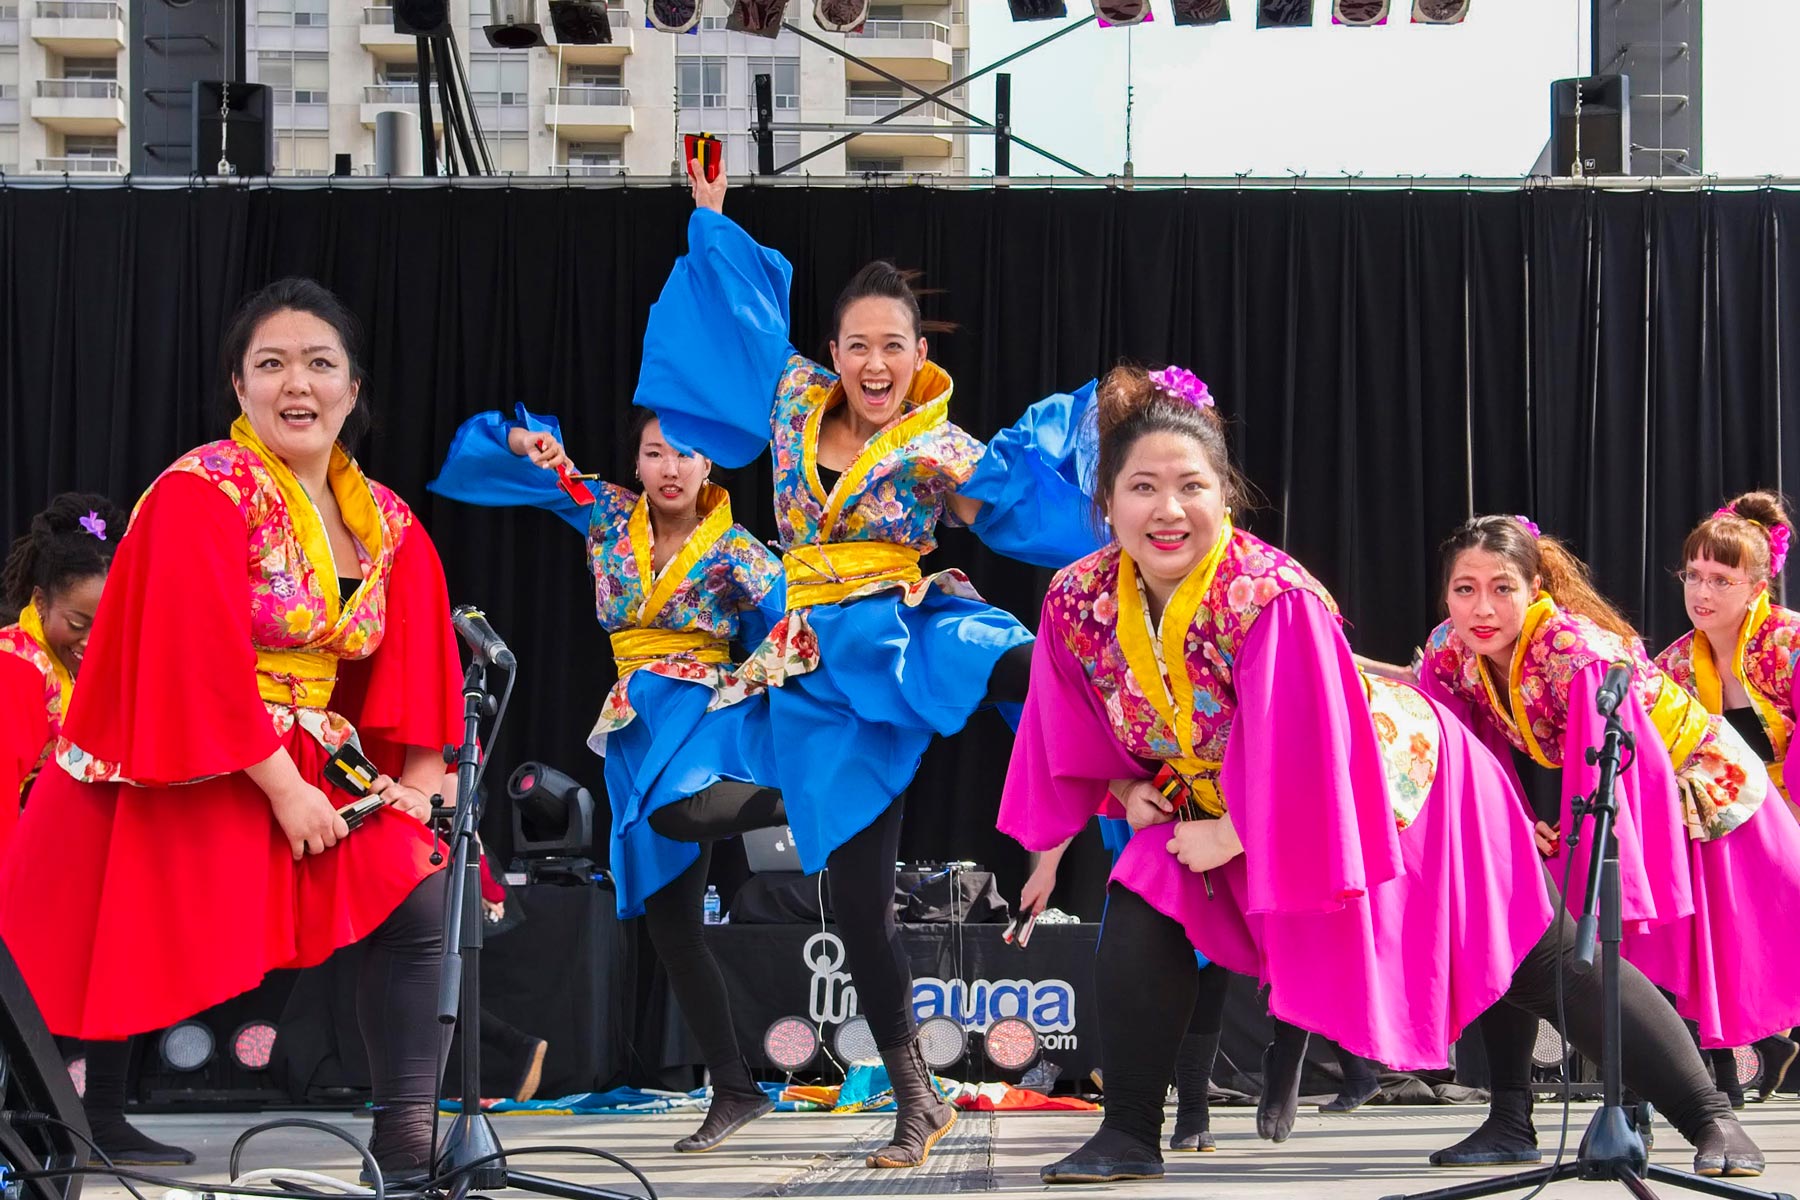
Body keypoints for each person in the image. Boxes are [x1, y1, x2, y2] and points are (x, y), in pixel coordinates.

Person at [998, 364, 1763, 1183]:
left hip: (1405, 787)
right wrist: (1121, 792)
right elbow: (1063, 726)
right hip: (1237, 802)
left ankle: (1712, 1119)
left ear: (1225, 496)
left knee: (1537, 957)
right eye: (1142, 487)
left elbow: (1312, 752)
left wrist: (1235, 831)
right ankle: (1130, 1134)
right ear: (1106, 500)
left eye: (1191, 485)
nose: (1168, 509)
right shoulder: (1077, 600)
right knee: (1144, 885)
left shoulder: (1270, 594)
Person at [633, 162, 1100, 1169]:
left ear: (918, 354)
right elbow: (744, 322)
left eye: (894, 346)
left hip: (901, 629)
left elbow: (1031, 509)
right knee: (838, 896)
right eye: (858, 345)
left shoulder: (942, 448)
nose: (875, 362)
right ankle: (920, 1099)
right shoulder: (795, 402)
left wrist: (1129, 505)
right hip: (810, 666)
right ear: (835, 352)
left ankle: (1143, 731)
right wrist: (710, 217)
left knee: (1025, 666)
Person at [0, 278, 465, 1178]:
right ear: (240, 387)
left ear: (352, 389)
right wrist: (285, 789)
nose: (299, 383)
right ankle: (63, 1131)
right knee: (92, 943)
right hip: (187, 756)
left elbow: (418, 673)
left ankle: (406, 1142)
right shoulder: (201, 489)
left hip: (308, 757)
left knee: (420, 900)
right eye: (272, 364)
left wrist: (423, 780)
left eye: (320, 364)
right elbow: (189, 651)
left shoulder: (388, 525)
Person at [430, 405, 786, 1151]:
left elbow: (788, 633)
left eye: (687, 454)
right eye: (656, 453)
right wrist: (525, 442)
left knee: (678, 811)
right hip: (632, 722)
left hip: (703, 714)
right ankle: (737, 1087)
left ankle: (802, 795)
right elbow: (506, 466)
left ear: (710, 465)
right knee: (675, 930)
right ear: (637, 464)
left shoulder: (742, 554)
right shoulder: (605, 515)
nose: (671, 468)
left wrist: (765, 704)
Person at [1416, 511, 1800, 1169]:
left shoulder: (1574, 650)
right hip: (1620, 789)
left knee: (1644, 954)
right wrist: (1502, 817)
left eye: (1502, 588)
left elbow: (1624, 761)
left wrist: (1570, 840)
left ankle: (1715, 1121)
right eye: (1464, 589)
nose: (1482, 608)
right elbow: (1460, 749)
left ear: (1537, 586)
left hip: (1695, 789)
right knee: (1508, 922)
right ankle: (1511, 1117)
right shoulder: (1452, 651)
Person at [1, 493, 200, 1166]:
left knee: (128, 947)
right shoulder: (15, 667)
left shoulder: (105, 673)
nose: (91, 638)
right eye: (78, 622)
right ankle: (33, 1125)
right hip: (20, 873)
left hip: (82, 868)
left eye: (108, 622)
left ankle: (103, 1118)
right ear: (39, 600)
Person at [1653, 491, 1800, 1102]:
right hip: (1731, 824)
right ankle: (1726, 1067)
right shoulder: (1674, 665)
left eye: (1720, 578)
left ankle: (1759, 1044)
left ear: (1756, 585)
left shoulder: (1788, 643)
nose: (1701, 592)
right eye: (1693, 575)